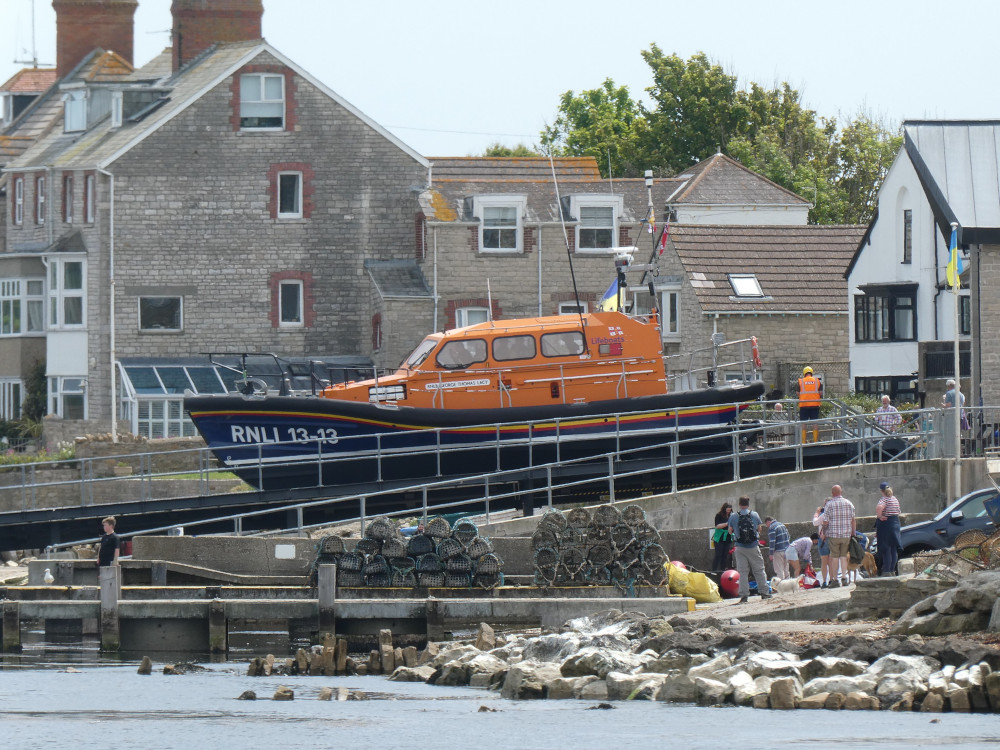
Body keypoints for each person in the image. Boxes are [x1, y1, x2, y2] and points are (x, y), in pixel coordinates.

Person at [727, 496, 771, 603]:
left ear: (739, 504)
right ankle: (764, 593)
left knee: (742, 572)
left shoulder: (733, 516)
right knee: (759, 570)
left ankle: (744, 596)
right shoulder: (754, 514)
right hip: (753, 546)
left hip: (740, 547)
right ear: (748, 504)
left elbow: (729, 531)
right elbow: (759, 528)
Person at [821, 485, 857, 587]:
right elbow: (853, 520)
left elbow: (825, 521)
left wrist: (824, 532)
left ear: (832, 493)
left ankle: (835, 580)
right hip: (846, 534)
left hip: (833, 534)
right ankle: (844, 578)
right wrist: (853, 532)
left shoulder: (829, 504)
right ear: (841, 492)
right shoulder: (849, 503)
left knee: (835, 557)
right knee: (843, 556)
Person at [875, 481, 902, 576]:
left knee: (886, 548)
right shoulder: (894, 499)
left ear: (881, 490)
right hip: (895, 524)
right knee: (893, 549)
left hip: (886, 525)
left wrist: (879, 516)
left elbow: (879, 508)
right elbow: (898, 512)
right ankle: (891, 570)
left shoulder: (884, 499)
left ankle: (886, 570)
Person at [796, 366, 823, 443]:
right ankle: (815, 441)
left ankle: (803, 442)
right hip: (815, 405)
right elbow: (820, 393)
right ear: (811, 373)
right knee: (815, 422)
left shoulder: (801, 381)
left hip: (804, 405)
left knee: (803, 423)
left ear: (804, 373)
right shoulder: (817, 380)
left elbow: (798, 393)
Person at [711, 502, 735, 572]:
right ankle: (714, 570)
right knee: (718, 554)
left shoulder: (731, 516)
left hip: (727, 538)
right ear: (724, 509)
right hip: (719, 538)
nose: (728, 512)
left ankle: (723, 569)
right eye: (727, 510)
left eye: (729, 510)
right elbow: (717, 526)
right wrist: (727, 523)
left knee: (725, 555)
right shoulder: (719, 515)